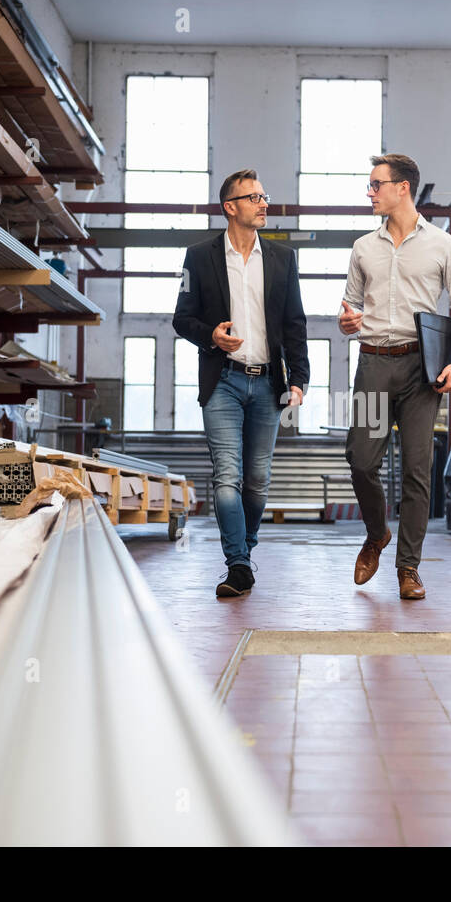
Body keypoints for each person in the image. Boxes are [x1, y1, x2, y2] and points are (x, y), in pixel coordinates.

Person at [340, 153, 451, 600]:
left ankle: (408, 567)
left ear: (403, 188)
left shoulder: (443, 246)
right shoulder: (364, 247)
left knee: (419, 470)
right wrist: (347, 322)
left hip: (422, 369)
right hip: (374, 362)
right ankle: (377, 532)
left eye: (376, 184)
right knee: (362, 459)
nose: (370, 192)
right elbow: (350, 308)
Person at [173, 168, 310, 597]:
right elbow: (182, 318)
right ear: (230, 207)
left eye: (264, 196)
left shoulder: (283, 259)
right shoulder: (198, 257)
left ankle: (245, 550)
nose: (263, 203)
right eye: (254, 197)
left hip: (268, 382)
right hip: (223, 382)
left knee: (257, 480)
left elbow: (294, 324)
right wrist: (210, 334)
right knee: (227, 476)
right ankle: (236, 563)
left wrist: (300, 379)